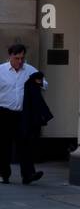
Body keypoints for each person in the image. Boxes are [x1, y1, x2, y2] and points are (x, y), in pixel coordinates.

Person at [0, 43, 46, 185]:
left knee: (25, 144)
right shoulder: (1, 70)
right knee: (3, 146)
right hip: (4, 113)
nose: (20, 61)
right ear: (10, 56)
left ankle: (28, 175)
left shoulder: (29, 70)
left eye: (22, 58)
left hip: (22, 115)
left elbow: (45, 84)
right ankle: (3, 175)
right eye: (17, 58)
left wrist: (39, 82)